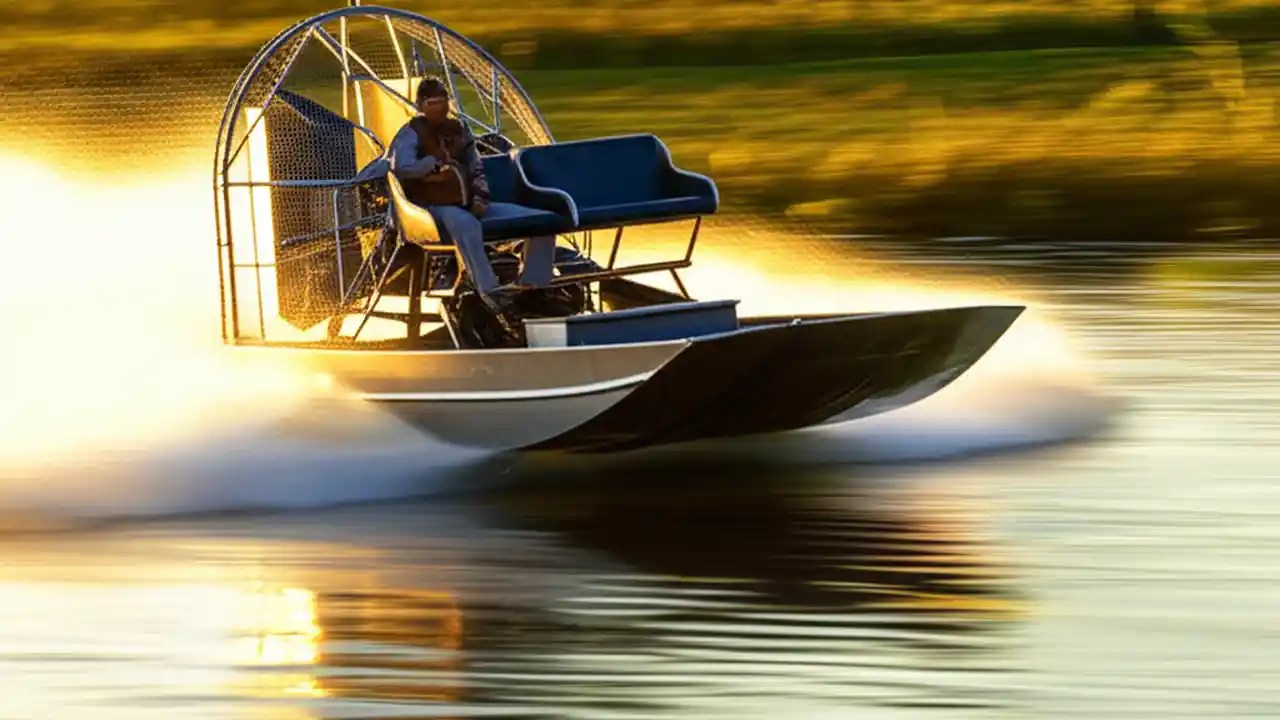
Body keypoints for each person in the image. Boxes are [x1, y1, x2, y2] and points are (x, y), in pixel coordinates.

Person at [387, 77, 553, 317]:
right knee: (467, 225)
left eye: (442, 102)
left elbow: (475, 167)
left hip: (467, 202)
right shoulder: (410, 134)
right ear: (421, 105)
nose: (439, 108)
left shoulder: (459, 130)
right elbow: (400, 168)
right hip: (432, 209)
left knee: (544, 221)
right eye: (432, 103)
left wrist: (480, 198)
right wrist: (431, 166)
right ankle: (489, 292)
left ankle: (533, 287)